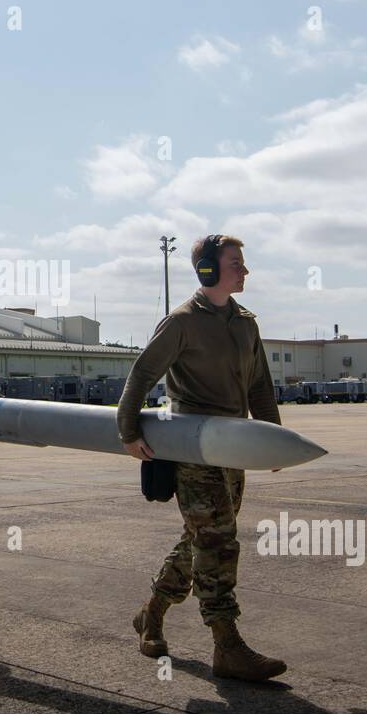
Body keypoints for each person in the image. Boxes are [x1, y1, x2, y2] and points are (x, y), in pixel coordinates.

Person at [116, 234, 288, 681]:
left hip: (232, 448)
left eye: (244, 263)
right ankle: (226, 644)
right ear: (208, 270)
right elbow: (141, 375)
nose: (245, 271)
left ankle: (150, 615)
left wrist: (271, 437)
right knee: (217, 541)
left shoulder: (246, 323)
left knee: (200, 539)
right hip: (193, 448)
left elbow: (260, 387)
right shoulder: (182, 322)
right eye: (236, 263)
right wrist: (129, 432)